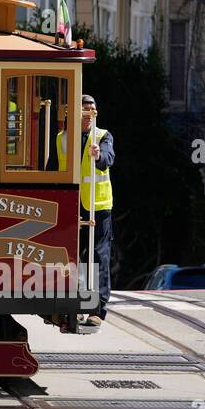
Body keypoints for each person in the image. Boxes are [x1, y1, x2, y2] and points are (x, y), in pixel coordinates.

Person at [56, 93, 115, 328]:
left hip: (98, 207)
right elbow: (53, 168)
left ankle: (97, 310)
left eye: (92, 110)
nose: (89, 114)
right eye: (84, 110)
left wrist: (98, 155)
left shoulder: (102, 136)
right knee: (72, 257)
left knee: (98, 256)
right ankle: (78, 305)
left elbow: (108, 158)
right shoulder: (62, 138)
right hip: (71, 205)